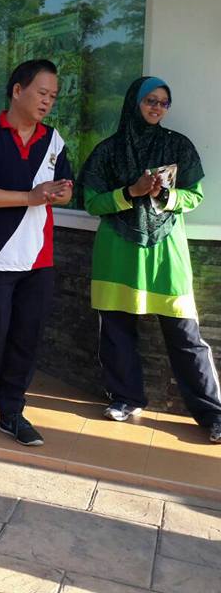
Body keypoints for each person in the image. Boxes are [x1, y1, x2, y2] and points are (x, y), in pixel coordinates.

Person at [79, 77, 221, 443]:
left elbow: (195, 196)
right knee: (116, 331)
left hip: (165, 252)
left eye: (163, 102)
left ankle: (213, 413)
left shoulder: (178, 146)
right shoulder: (108, 151)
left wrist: (167, 195)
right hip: (116, 252)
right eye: (150, 101)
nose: (156, 107)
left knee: (185, 334)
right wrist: (131, 192)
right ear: (134, 103)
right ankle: (126, 398)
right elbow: (92, 201)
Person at [0, 59, 73, 447]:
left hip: (38, 257)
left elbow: (67, 187)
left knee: (27, 337)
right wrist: (29, 196)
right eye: (42, 93)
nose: (48, 102)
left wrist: (60, 192)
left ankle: (11, 413)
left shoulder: (54, 141)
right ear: (18, 90)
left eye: (53, 96)